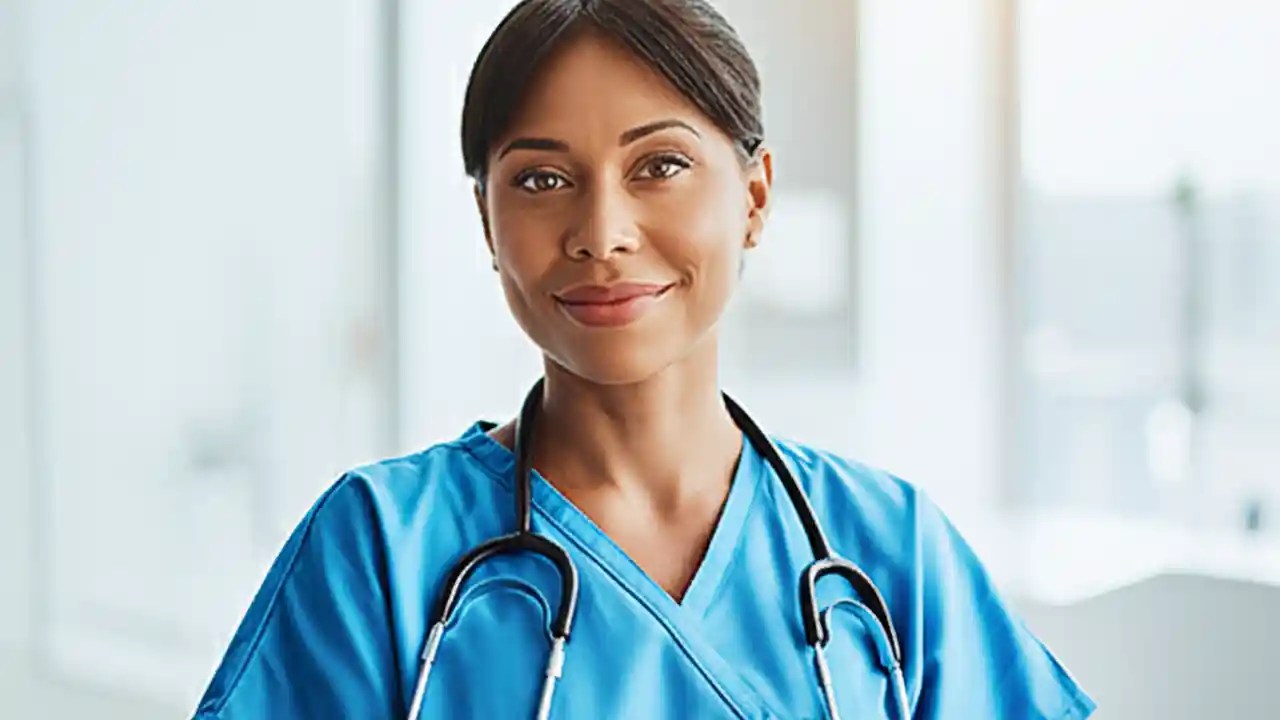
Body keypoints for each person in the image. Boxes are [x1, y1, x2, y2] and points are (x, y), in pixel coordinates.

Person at [193, 0, 1095, 718]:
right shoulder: (380, 548)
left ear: (753, 196)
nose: (601, 234)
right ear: (486, 224)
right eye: (542, 180)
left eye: (658, 166)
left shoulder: (891, 552)